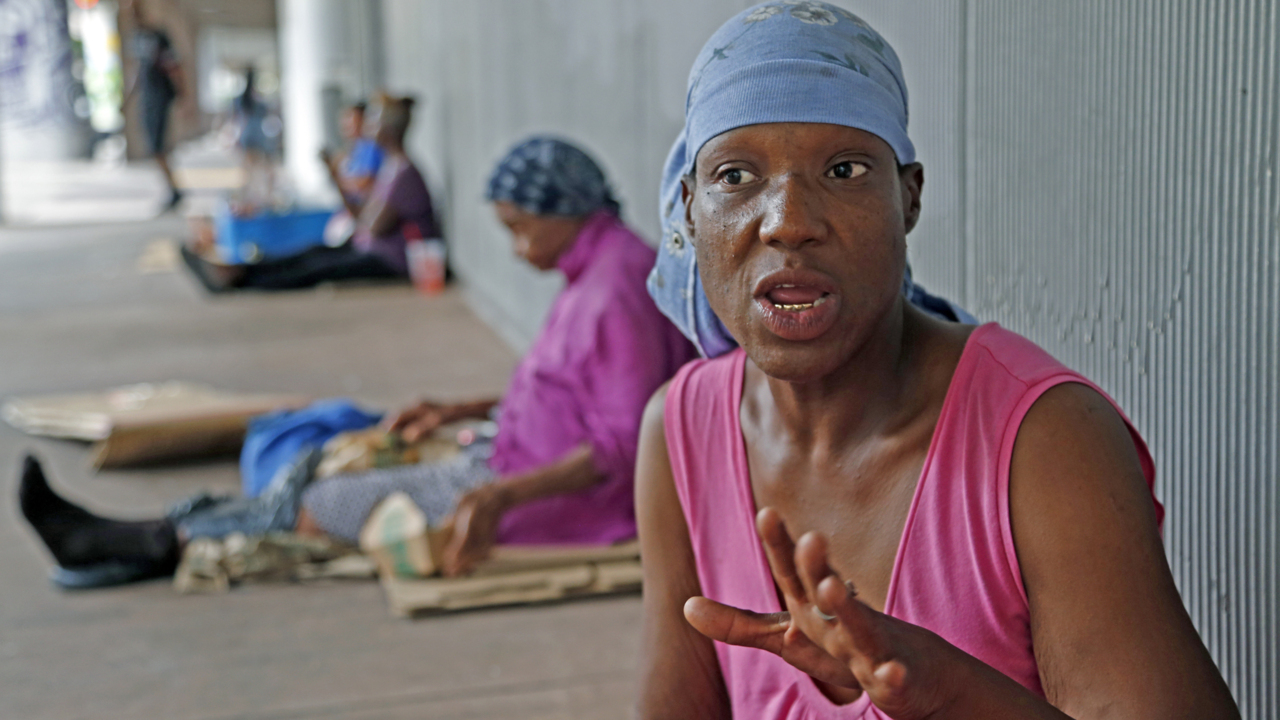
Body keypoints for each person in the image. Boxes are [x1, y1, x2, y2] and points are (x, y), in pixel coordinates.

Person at [635, 4, 1238, 719]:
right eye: (735, 175)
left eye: (844, 169)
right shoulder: (681, 428)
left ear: (909, 198)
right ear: (690, 209)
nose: (789, 221)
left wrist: (950, 694)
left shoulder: (1045, 439)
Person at [19, 136, 696, 587]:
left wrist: (499, 495)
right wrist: (461, 408)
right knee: (315, 467)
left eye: (520, 229)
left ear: (563, 210)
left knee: (321, 504)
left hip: (556, 499)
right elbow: (576, 391)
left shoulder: (613, 292)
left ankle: (146, 544)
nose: (517, 250)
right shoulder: (601, 268)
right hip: (512, 461)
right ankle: (151, 530)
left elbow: (622, 444)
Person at [181, 93, 436, 291]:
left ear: (388, 129)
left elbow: (373, 226)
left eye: (373, 122)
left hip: (390, 260)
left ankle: (242, 282)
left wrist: (348, 190)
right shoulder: (391, 168)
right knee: (311, 253)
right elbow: (364, 218)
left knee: (317, 268)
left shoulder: (403, 175)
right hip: (368, 247)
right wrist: (339, 182)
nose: (368, 128)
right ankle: (239, 271)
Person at [123, 0, 184, 211]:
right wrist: (128, 99)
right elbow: (136, 72)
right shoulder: (135, 39)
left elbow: (173, 66)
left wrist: (183, 94)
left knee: (158, 147)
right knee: (154, 147)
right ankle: (173, 188)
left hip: (161, 97)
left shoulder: (158, 35)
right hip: (147, 98)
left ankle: (174, 189)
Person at [321, 101, 384, 206]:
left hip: (368, 206)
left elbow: (365, 183)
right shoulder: (351, 150)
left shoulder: (372, 147)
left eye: (351, 119)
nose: (346, 124)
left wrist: (338, 179)